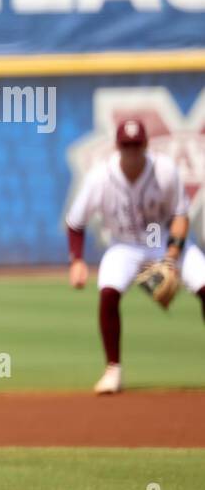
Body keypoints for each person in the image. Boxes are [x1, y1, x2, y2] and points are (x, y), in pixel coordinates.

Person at [65, 118, 205, 394]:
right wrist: (77, 261)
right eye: (126, 146)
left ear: (145, 145)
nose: (131, 151)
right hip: (125, 246)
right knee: (108, 292)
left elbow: (180, 215)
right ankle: (113, 371)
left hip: (164, 240)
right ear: (117, 146)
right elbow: (75, 222)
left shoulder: (164, 170)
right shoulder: (100, 177)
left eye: (136, 145)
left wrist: (171, 257)